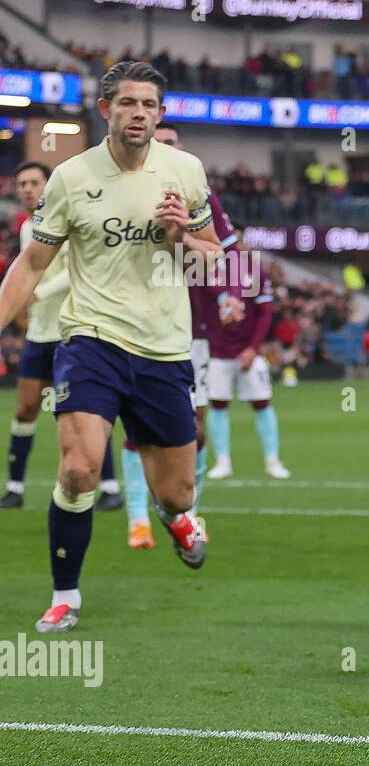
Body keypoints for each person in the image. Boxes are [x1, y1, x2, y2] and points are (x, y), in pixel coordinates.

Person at [0, 60, 223, 632]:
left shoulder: (187, 171)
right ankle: (65, 595)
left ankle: (176, 517)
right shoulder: (72, 177)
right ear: (106, 110)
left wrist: (183, 237)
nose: (139, 113)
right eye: (128, 103)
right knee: (78, 469)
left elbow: (217, 258)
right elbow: (32, 262)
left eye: (149, 105)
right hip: (90, 338)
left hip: (165, 348)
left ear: (161, 114)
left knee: (175, 492)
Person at [120, 120, 241, 548]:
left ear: (181, 148)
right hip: (138, 324)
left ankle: (186, 515)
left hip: (194, 329)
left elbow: (227, 251)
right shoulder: (125, 188)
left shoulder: (198, 191)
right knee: (137, 430)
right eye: (159, 141)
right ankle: (138, 519)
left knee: (197, 428)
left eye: (171, 142)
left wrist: (230, 293)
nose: (164, 147)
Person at [2, 161, 121, 512]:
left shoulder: (70, 220)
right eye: (21, 182)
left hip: (72, 333)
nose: (26, 189)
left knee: (82, 417)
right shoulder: (29, 228)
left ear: (48, 185)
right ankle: (14, 486)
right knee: (25, 408)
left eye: (34, 182)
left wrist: (38, 293)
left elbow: (74, 272)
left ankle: (110, 487)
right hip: (40, 335)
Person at [206, 234, 288, 480]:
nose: (234, 246)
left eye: (238, 241)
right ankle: (222, 461)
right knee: (218, 405)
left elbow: (265, 314)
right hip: (218, 351)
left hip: (248, 351)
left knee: (262, 403)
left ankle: (272, 460)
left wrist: (254, 348)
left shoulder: (255, 272)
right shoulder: (205, 270)